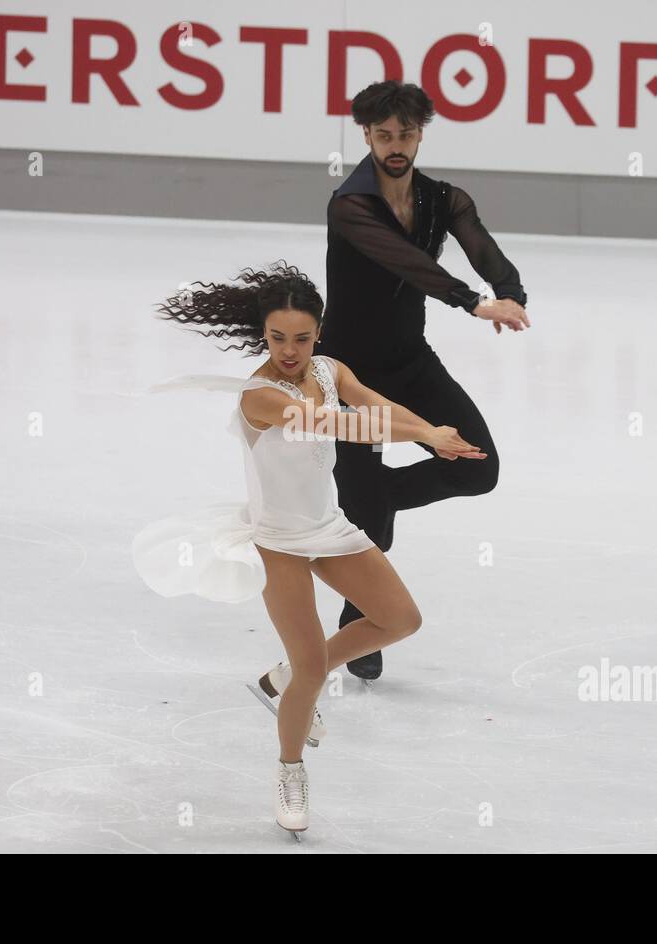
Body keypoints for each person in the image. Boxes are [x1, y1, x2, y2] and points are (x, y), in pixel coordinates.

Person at [131, 261, 486, 834]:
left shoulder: (328, 369)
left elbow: (375, 404)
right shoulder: (261, 397)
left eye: (301, 337)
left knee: (401, 619)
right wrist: (426, 435)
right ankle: (290, 768)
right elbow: (346, 426)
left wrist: (431, 433)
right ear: (262, 335)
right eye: (277, 338)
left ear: (319, 332)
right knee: (314, 666)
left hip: (328, 527)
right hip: (278, 542)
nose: (289, 350)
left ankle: (283, 677)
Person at [317, 79, 532, 681]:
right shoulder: (350, 204)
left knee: (477, 467)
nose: (395, 145)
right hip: (348, 375)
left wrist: (509, 294)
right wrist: (471, 303)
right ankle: (362, 619)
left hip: (411, 362)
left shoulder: (445, 199)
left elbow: (482, 249)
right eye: (383, 134)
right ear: (366, 134)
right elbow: (406, 260)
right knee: (363, 515)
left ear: (420, 134)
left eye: (406, 134)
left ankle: (380, 496)